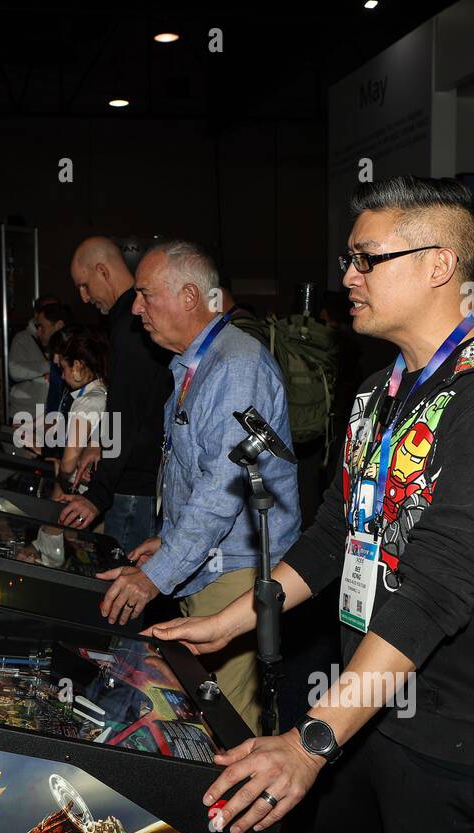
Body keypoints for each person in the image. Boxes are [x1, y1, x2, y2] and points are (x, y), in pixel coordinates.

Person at [145, 176, 474, 833]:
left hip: (462, 731)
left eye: (367, 259)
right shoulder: (379, 392)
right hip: (367, 704)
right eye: (348, 260)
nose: (348, 277)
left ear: (438, 266)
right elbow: (337, 534)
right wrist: (236, 617)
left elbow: (439, 584)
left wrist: (311, 740)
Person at [95, 240, 300, 731]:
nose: (137, 308)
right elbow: (197, 471)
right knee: (198, 706)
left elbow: (221, 488)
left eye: (145, 295)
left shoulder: (235, 366)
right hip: (211, 563)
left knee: (222, 724)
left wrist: (156, 575)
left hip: (236, 569)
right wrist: (167, 541)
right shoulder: (199, 363)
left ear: (190, 297)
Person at [58, 237, 171, 553]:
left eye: (84, 286)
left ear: (102, 270)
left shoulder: (130, 323)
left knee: (123, 589)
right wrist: (98, 444)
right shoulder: (127, 320)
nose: (83, 298)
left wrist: (98, 495)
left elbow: (126, 414)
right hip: (138, 478)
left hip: (136, 485)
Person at [51, 324, 109, 497]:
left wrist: (59, 473)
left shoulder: (86, 402)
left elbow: (69, 465)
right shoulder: (105, 389)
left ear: (77, 366)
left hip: (81, 492)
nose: (62, 376)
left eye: (63, 368)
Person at [8, 296, 57, 422]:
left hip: (50, 414)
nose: (50, 313)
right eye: (47, 309)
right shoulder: (22, 339)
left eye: (54, 310)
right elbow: (14, 370)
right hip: (25, 412)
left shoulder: (63, 339)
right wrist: (51, 367)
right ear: (36, 314)